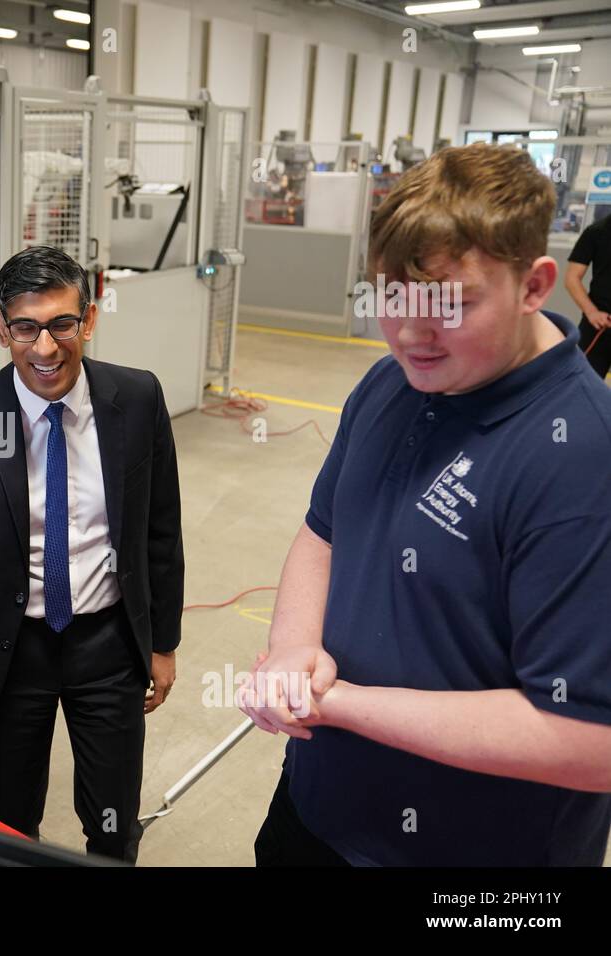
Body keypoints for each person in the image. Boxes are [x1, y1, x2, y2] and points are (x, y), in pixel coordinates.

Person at [239, 143, 611, 867]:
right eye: (390, 299)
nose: (410, 335)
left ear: (535, 285)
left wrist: (338, 703)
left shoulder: (579, 459)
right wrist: (289, 650)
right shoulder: (390, 384)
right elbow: (323, 535)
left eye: (448, 305)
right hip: (316, 813)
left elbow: (589, 740)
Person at [0, 245, 184, 863]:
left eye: (61, 325)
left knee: (112, 824)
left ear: (90, 319)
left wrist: (162, 642)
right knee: (11, 823)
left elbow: (160, 528)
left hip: (108, 645)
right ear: (1, 327)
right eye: (25, 328)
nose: (45, 348)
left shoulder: (137, 398)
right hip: (7, 648)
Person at [565, 211, 611, 378]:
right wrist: (592, 312)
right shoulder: (596, 232)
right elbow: (572, 278)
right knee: (584, 383)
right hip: (598, 325)